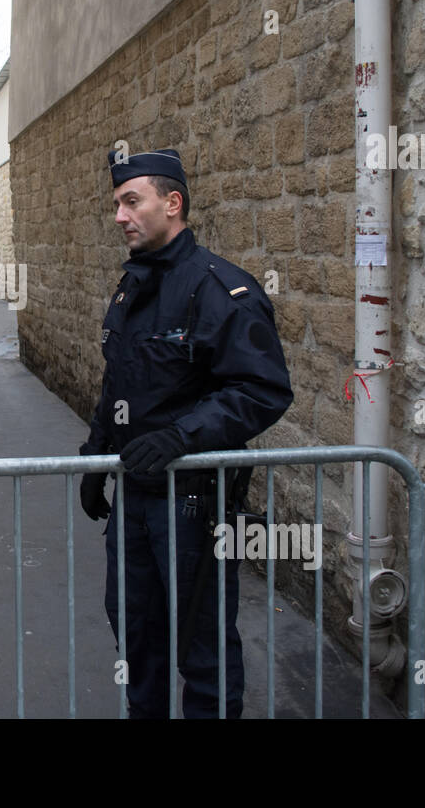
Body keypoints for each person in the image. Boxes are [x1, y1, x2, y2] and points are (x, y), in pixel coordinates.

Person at [77, 148, 293, 719]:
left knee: (203, 648)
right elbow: (119, 379)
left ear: (172, 204)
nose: (120, 216)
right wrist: (96, 455)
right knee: (135, 632)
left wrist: (180, 437)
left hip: (192, 504)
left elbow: (261, 390)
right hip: (133, 499)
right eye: (116, 205)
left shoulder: (220, 290)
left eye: (131, 202)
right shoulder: (132, 289)